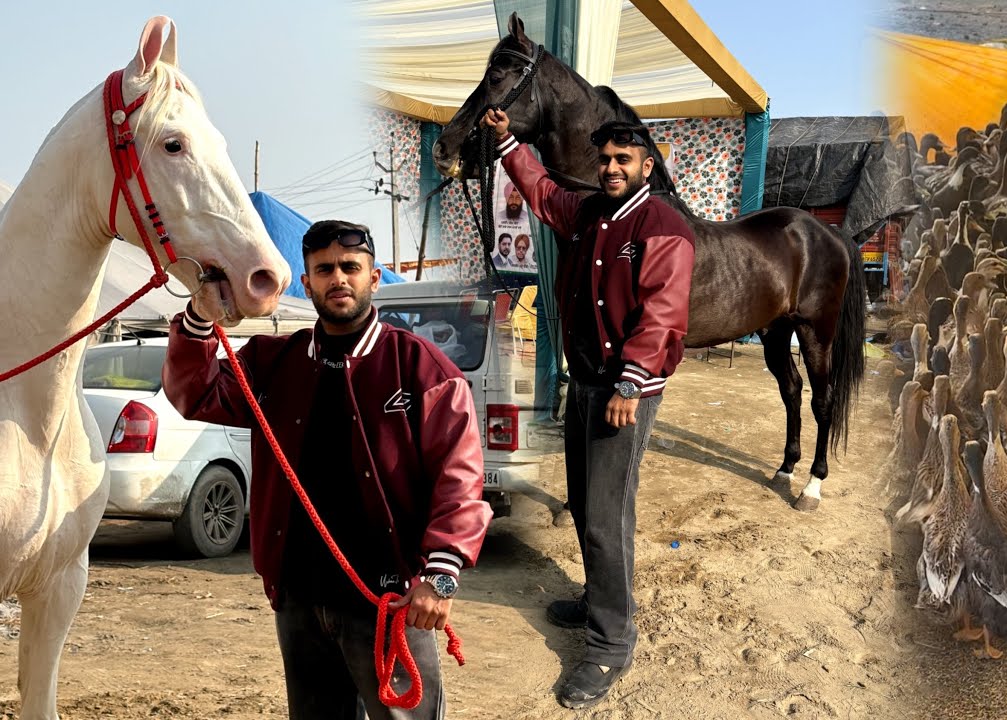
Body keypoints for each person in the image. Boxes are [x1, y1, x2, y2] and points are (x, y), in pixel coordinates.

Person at [161, 219, 493, 719]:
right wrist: (197, 321)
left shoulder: (421, 369)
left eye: (350, 267)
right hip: (299, 598)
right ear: (307, 282)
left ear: (374, 278)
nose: (338, 278)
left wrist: (442, 574)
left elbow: (460, 479)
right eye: (324, 269)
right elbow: (195, 393)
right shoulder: (273, 361)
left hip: (389, 599)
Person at [483, 108, 695, 709]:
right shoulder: (591, 213)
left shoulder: (663, 225)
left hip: (624, 391)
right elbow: (546, 194)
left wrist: (631, 385)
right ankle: (600, 596)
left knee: (606, 515)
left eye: (622, 160)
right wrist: (506, 144)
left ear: (646, 166)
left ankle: (610, 643)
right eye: (604, 160)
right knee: (584, 502)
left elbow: (662, 311)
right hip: (586, 384)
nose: (610, 168)